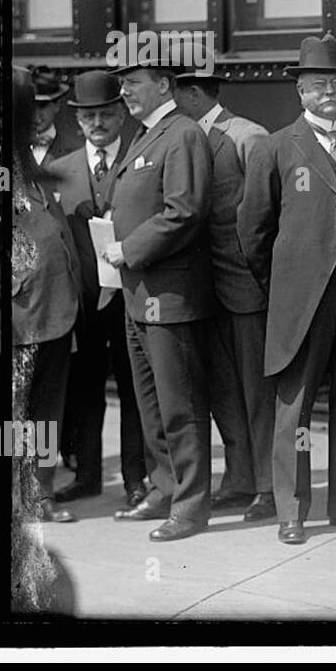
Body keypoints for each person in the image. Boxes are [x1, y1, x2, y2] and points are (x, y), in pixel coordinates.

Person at [238, 34, 336, 545]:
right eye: (319, 84)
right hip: (301, 300)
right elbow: (253, 231)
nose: (330, 91)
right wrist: (283, 286)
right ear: (301, 92)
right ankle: (292, 511)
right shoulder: (276, 147)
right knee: (297, 407)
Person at [105, 52, 215, 541]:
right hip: (138, 293)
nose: (125, 91)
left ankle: (190, 505)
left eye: (134, 82)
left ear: (165, 84)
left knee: (179, 403)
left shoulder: (183, 134)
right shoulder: (147, 134)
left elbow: (184, 211)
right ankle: (164, 487)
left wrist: (128, 248)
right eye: (124, 82)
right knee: (150, 402)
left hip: (168, 294)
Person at [51, 71, 150, 507]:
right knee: (87, 391)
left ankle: (135, 478)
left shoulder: (140, 155)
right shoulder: (61, 170)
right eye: (88, 116)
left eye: (106, 113)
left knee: (135, 391)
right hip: (86, 303)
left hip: (130, 295)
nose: (98, 123)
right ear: (77, 122)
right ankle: (88, 474)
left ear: (121, 114)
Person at [11, 65, 84, 524]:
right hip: (21, 313)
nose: (36, 117)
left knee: (44, 412)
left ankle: (38, 496)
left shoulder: (32, 165)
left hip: (55, 309)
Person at [196, 109, 276, 522]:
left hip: (247, 288)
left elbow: (261, 213)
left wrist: (257, 275)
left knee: (259, 394)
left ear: (192, 92)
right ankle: (240, 477)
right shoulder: (186, 135)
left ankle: (269, 486)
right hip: (204, 291)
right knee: (224, 394)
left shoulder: (248, 135)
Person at [173, 69, 269, 170]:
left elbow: (263, 183)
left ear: (194, 95)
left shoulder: (247, 135)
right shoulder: (179, 137)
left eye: (172, 95)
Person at [29, 67, 81, 165]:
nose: (36, 115)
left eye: (42, 106)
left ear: (57, 105)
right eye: (30, 106)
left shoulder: (74, 153)